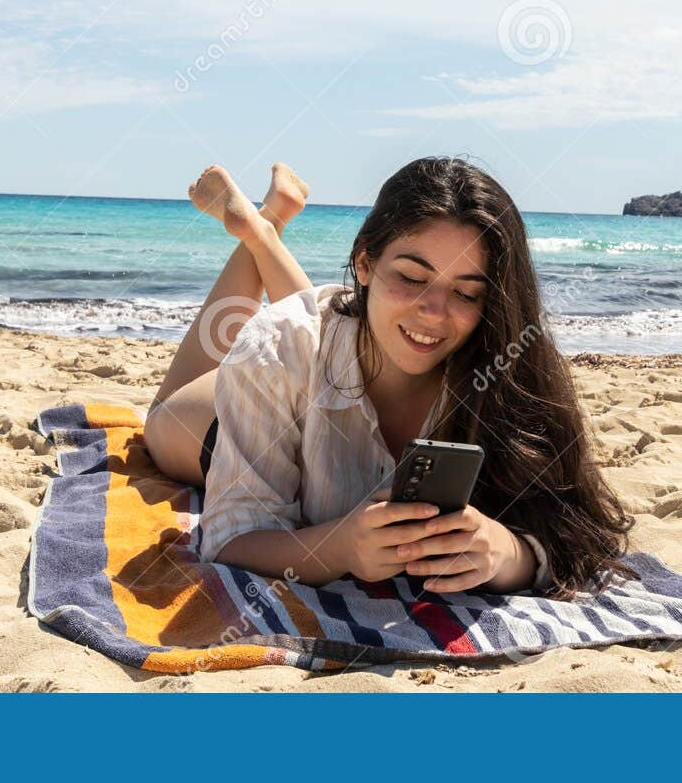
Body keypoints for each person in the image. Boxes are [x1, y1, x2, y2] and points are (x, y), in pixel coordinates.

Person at [144, 156, 633, 597]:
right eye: (413, 277)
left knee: (347, 326)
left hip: (343, 344)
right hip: (216, 422)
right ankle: (259, 228)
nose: (436, 311)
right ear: (363, 262)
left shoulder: (510, 365)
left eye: (467, 293)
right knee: (162, 422)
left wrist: (508, 554)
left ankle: (266, 226)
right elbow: (229, 541)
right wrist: (338, 550)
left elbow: (577, 533)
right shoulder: (273, 356)